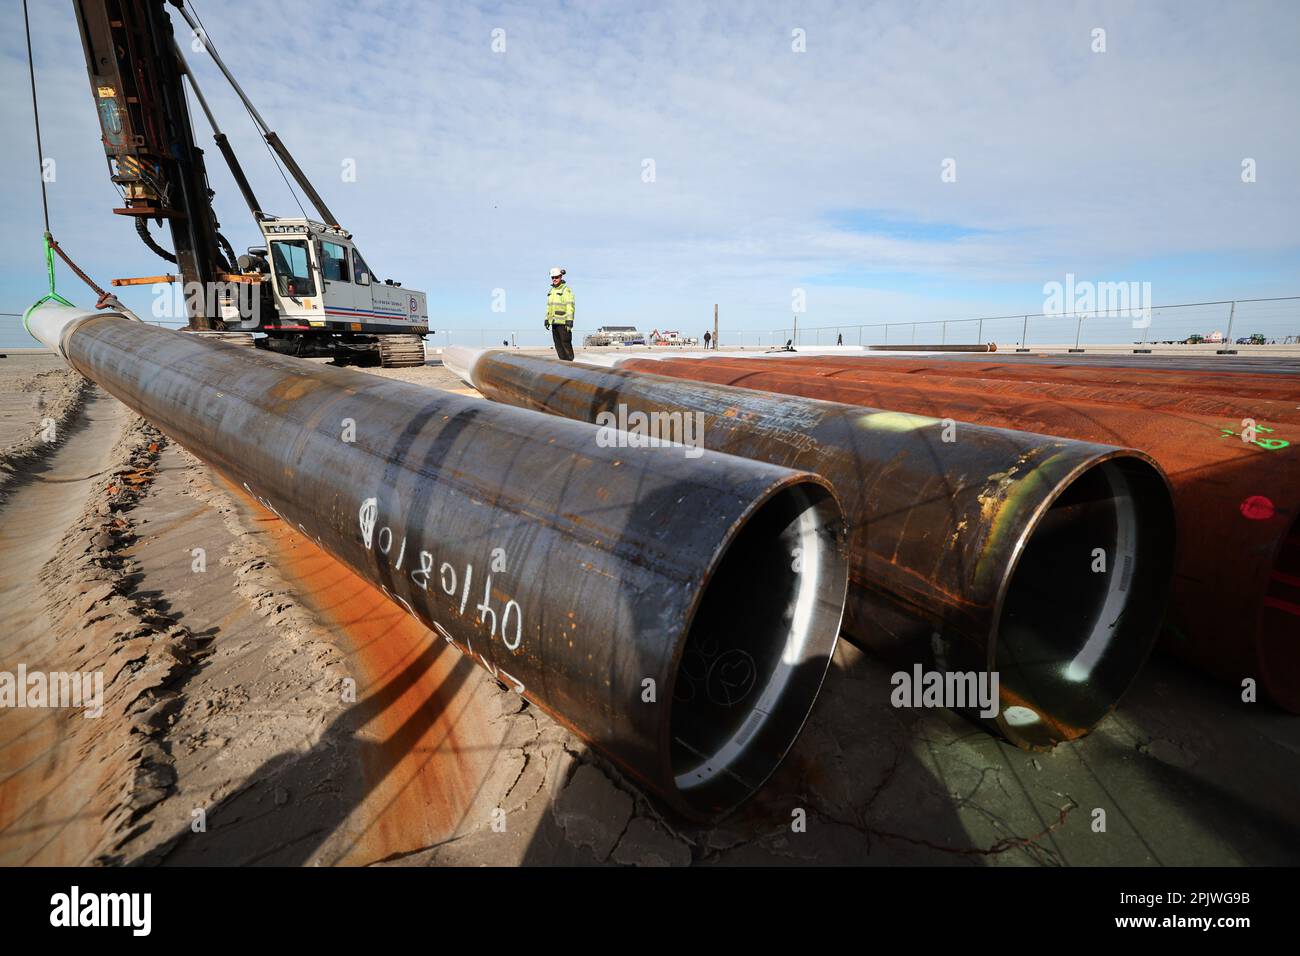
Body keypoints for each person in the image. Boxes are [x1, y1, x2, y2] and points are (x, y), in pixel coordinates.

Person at [544, 267, 575, 361]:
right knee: (557, 344)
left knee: (566, 343)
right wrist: (547, 319)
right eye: (553, 277)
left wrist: (570, 320)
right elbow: (549, 307)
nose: (554, 279)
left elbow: (570, 305)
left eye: (556, 277)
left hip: (563, 323)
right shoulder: (551, 291)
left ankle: (570, 363)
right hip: (554, 322)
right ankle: (562, 362)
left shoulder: (566, 290)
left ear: (561, 277)